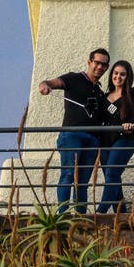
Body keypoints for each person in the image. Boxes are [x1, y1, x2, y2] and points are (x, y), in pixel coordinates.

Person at [38, 47, 110, 212]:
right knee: (68, 175)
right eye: (97, 63)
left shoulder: (100, 92)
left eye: (104, 65)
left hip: (92, 140)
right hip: (72, 135)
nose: (100, 67)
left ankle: (80, 219)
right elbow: (51, 83)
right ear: (89, 62)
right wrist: (44, 85)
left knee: (82, 183)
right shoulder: (74, 78)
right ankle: (62, 216)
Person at [97, 60, 134, 214]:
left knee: (112, 173)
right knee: (113, 178)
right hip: (105, 143)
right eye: (115, 73)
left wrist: (130, 124)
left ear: (127, 77)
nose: (118, 77)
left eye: (122, 74)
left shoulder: (133, 93)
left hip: (123, 139)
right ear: (111, 75)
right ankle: (121, 214)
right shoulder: (104, 97)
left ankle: (100, 212)